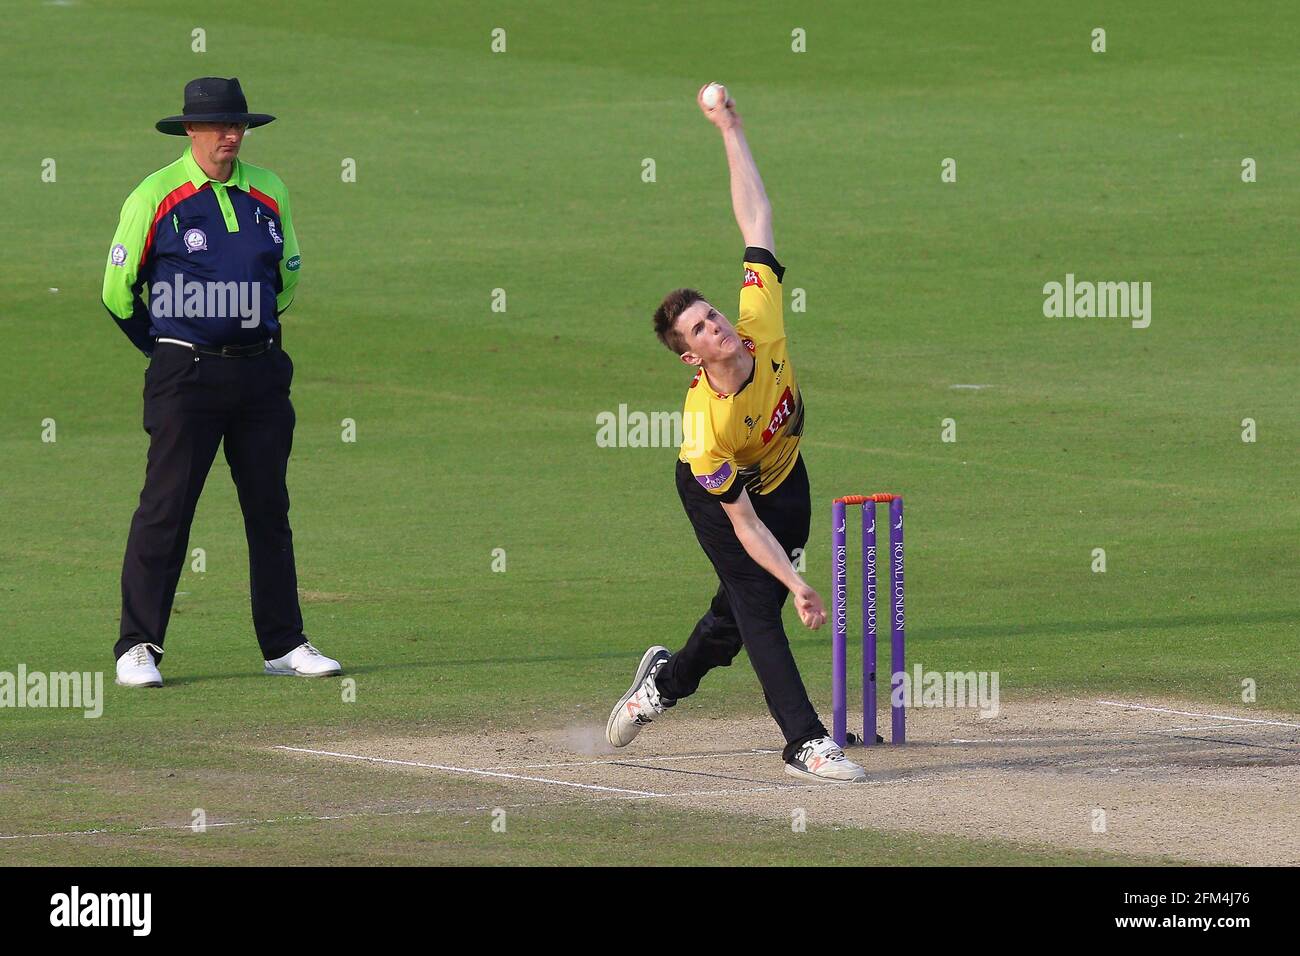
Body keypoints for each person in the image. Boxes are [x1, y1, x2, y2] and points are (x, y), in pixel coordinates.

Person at [605, 86, 865, 783]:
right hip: (723, 499)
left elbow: (758, 215)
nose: (716, 326)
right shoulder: (705, 427)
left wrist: (730, 126)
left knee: (733, 618)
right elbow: (745, 528)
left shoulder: (761, 318)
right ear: (691, 357)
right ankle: (804, 742)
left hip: (787, 479)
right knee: (760, 607)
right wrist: (797, 580)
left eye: (712, 315)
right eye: (699, 330)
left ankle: (660, 685)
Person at [102, 77, 340, 688]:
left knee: (269, 510)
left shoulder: (269, 189)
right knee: (166, 510)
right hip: (187, 375)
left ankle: (284, 643)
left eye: (239, 126)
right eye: (218, 127)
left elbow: (286, 279)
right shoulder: (156, 194)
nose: (231, 136)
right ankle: (138, 646)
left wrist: (251, 331)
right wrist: (167, 350)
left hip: (260, 373)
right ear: (191, 131)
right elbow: (116, 293)